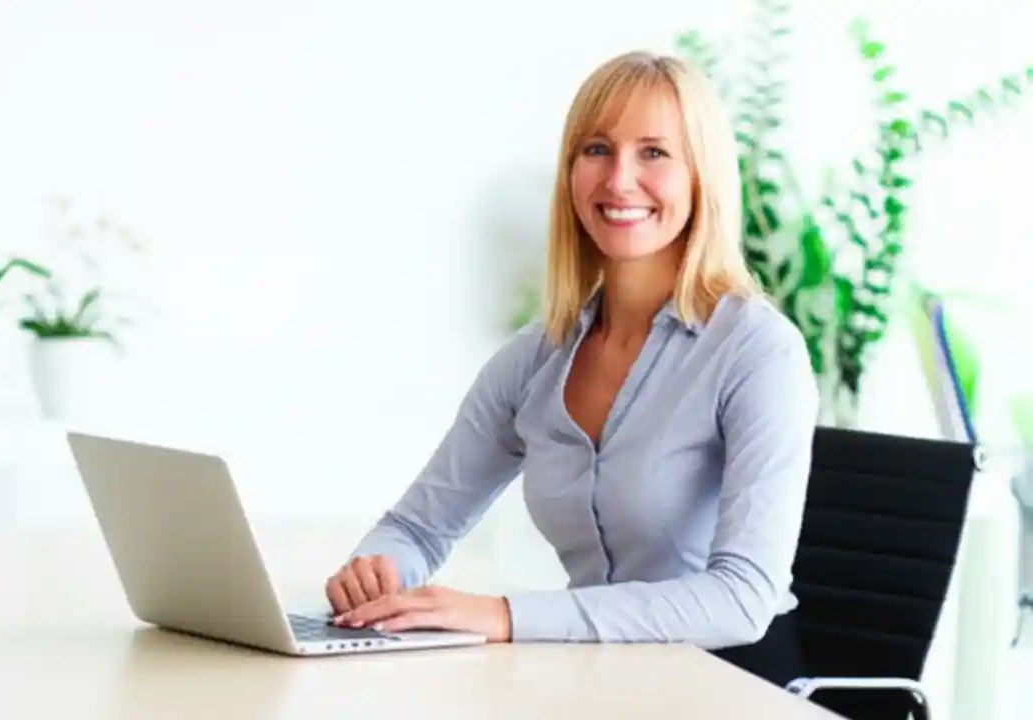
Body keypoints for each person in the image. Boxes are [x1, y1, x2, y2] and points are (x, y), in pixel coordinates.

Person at [326, 50, 819, 687]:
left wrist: (505, 615)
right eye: (596, 149)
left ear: (703, 176)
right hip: (596, 679)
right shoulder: (538, 356)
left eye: (654, 153)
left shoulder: (757, 351)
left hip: (728, 684)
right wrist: (378, 571)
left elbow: (744, 596)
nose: (619, 180)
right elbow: (419, 527)